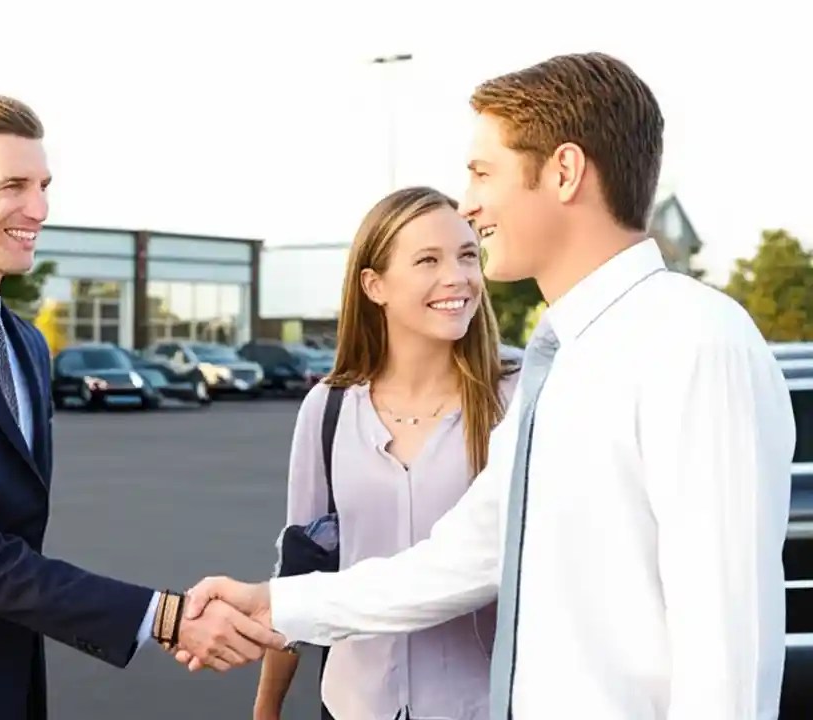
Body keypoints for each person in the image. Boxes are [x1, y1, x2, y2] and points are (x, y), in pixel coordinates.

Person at [178, 52, 794, 719]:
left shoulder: (694, 341)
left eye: (482, 172)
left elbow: (728, 645)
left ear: (563, 172)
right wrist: (273, 602)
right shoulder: (558, 365)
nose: (469, 203)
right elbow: (457, 561)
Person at [0, 94, 283, 720]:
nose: (37, 209)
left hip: (8, 674)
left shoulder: (26, 344)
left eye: (43, 185)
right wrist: (166, 617)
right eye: (12, 185)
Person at [255, 187, 518, 720]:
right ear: (375, 285)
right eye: (428, 259)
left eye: (468, 255)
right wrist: (266, 708)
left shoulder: (518, 397)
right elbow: (300, 571)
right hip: (354, 704)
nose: (458, 277)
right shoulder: (327, 409)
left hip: (481, 706)